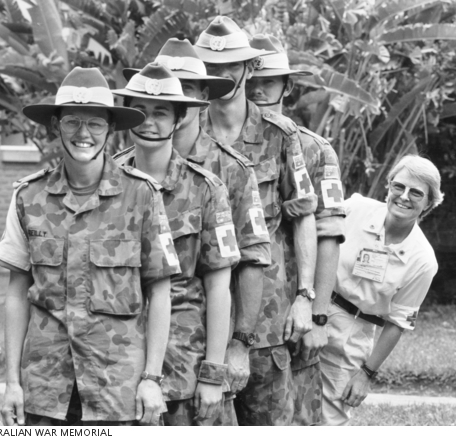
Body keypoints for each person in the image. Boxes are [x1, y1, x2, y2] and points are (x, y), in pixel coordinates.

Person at [0, 67, 181, 426]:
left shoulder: (141, 195)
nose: (84, 134)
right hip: (46, 391)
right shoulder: (27, 197)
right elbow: (17, 295)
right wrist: (12, 383)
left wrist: (152, 379)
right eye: (72, 123)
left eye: (95, 123)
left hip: (118, 389)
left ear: (110, 128)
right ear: (55, 125)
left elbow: (160, 292)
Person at [122, 38, 272, 403]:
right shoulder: (117, 170)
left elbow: (248, 261)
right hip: (123, 351)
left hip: (193, 348)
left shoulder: (228, 173)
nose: (168, 95)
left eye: (183, 87)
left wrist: (235, 346)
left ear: (200, 96)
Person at [194, 17, 319, 426]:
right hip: (198, 317)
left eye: (232, 64)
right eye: (211, 66)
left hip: (268, 315)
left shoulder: (281, 135)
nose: (221, 74)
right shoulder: (185, 132)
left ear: (249, 68)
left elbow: (303, 218)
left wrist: (305, 297)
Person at [112, 63, 242, 425]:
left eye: (160, 113)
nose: (148, 122)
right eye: (139, 111)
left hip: (184, 357)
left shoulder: (205, 188)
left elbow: (219, 286)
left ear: (178, 118)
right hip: (116, 356)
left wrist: (213, 372)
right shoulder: (109, 182)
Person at [246, 34, 347, 426]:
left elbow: (329, 235)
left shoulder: (313, 149)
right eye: (251, 79)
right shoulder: (216, 142)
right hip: (247, 313)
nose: (257, 88)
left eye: (268, 81)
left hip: (293, 312)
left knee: (297, 419)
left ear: (287, 86)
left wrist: (318, 315)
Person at [318, 154, 444, 425]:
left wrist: (366, 374)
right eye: (399, 186)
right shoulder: (355, 208)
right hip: (313, 308)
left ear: (428, 204)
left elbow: (398, 323)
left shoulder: (422, 260)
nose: (404, 196)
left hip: (351, 334)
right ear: (388, 186)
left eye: (416, 193)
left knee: (328, 420)